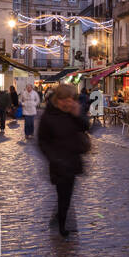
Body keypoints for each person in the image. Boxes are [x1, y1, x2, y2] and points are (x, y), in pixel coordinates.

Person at [37, 83, 91, 238]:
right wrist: (53, 158)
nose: (68, 103)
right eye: (64, 99)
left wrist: (77, 114)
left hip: (73, 161)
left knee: (66, 196)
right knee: (63, 195)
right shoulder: (48, 116)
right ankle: (62, 226)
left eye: (70, 99)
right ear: (57, 99)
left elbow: (86, 127)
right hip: (58, 164)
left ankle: (61, 219)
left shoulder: (72, 112)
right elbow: (42, 141)